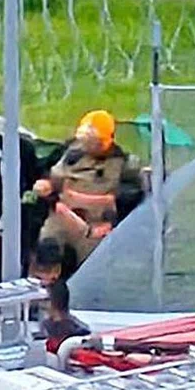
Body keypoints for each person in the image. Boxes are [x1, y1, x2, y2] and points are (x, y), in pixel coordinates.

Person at [30, 109, 144, 276]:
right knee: (47, 249)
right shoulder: (68, 152)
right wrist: (46, 185)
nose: (89, 146)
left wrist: (102, 214)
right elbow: (49, 172)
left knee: (91, 269)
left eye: (95, 142)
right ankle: (43, 291)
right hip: (61, 218)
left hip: (94, 227)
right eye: (86, 141)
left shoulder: (123, 164)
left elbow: (131, 196)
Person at [40, 279, 90, 354]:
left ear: (58, 300)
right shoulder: (44, 325)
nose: (41, 304)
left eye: (45, 300)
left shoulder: (78, 330)